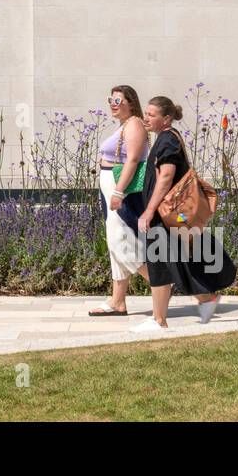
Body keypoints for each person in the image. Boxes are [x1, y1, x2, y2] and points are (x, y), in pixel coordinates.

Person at [128, 95, 237, 333]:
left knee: (160, 264)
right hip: (168, 216)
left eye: (152, 115)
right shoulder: (166, 138)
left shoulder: (167, 140)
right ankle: (205, 299)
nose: (146, 118)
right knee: (174, 261)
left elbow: (166, 177)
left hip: (163, 215)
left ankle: (159, 320)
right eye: (146, 113)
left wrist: (148, 211)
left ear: (166, 118)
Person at [89, 86, 149, 316]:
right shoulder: (124, 125)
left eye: (117, 100)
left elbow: (133, 160)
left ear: (131, 103)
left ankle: (160, 282)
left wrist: (119, 192)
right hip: (110, 188)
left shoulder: (134, 123)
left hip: (118, 189)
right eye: (110, 99)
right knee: (114, 245)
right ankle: (117, 301)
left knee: (120, 242)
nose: (112, 104)